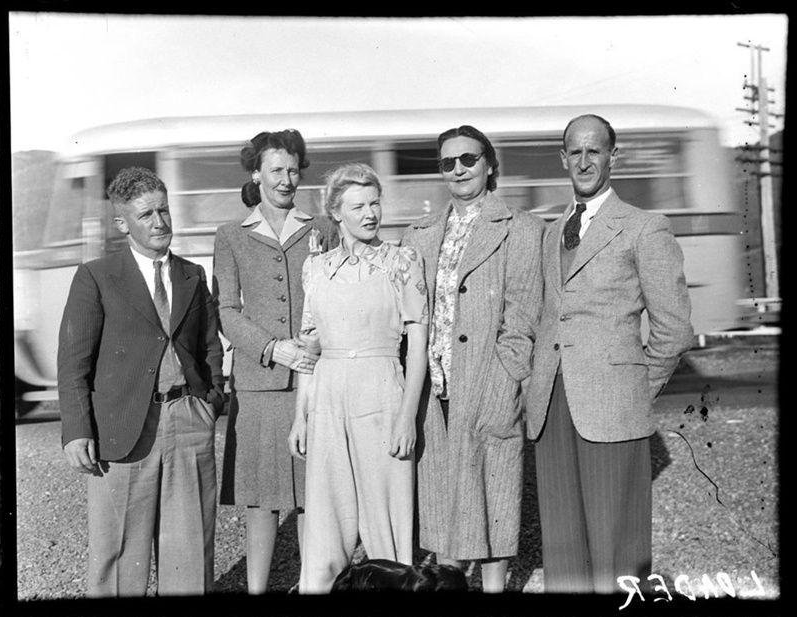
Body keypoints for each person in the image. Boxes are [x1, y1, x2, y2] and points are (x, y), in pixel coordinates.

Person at [524, 114, 694, 594]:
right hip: (550, 406)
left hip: (613, 407)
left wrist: (635, 387)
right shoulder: (550, 230)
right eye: (574, 152)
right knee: (562, 550)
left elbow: (674, 328)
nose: (584, 161)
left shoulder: (644, 227)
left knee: (618, 553)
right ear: (562, 159)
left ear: (612, 157)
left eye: (594, 151)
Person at [58, 166, 224, 597]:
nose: (160, 222)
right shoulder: (96, 276)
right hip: (123, 427)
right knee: (118, 557)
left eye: (164, 210)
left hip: (188, 421)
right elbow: (74, 361)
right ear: (122, 224)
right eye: (147, 214)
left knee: (189, 551)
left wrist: (211, 400)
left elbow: (209, 345)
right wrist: (77, 432)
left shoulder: (192, 275)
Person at [401, 125, 545, 592]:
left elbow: (522, 318)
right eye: (448, 163)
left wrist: (506, 382)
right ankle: (447, 585)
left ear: (489, 164)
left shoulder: (520, 229)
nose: (459, 169)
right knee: (441, 493)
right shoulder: (418, 234)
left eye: (468, 159)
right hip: (433, 386)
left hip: (487, 381)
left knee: (494, 490)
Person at [288, 163, 429, 594]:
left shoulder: (402, 260)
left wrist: (407, 418)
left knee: (386, 524)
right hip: (327, 396)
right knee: (325, 525)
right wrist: (301, 416)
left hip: (382, 390)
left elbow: (419, 348)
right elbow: (309, 352)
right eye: (358, 206)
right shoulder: (315, 268)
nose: (370, 214)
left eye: (375, 203)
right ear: (336, 212)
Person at [212, 129, 336, 593]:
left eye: (293, 169)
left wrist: (318, 343)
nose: (286, 179)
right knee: (261, 503)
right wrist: (270, 348)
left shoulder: (322, 228)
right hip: (259, 386)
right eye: (276, 170)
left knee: (311, 499)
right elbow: (225, 309)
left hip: (314, 380)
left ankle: (312, 587)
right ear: (256, 174)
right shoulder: (230, 236)